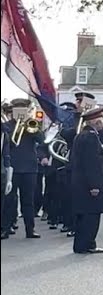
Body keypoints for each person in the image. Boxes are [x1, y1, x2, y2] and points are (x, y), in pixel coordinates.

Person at [2, 99, 47, 239]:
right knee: (9, 200)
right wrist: (17, 126)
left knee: (28, 200)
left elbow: (41, 139)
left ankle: (30, 229)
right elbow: (7, 143)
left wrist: (29, 123)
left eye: (23, 109)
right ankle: (6, 227)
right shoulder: (7, 126)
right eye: (18, 109)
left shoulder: (31, 124)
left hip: (29, 168)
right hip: (12, 167)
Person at [68, 106, 103, 254]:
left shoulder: (82, 135)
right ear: (95, 121)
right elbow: (91, 163)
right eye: (102, 120)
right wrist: (94, 185)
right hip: (89, 185)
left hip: (81, 183)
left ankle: (81, 245)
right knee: (91, 217)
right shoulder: (91, 137)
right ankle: (88, 244)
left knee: (83, 216)